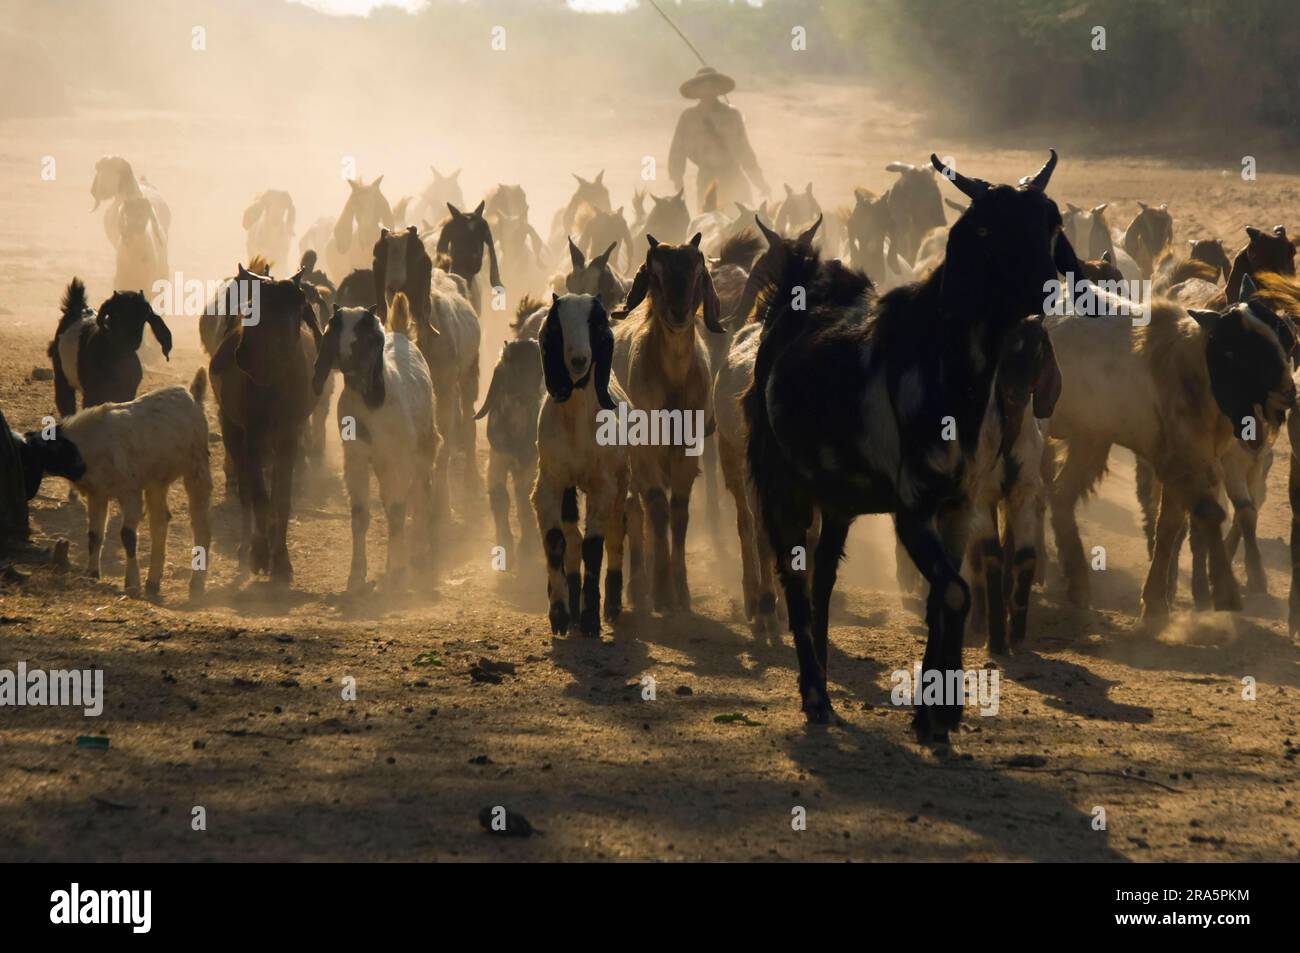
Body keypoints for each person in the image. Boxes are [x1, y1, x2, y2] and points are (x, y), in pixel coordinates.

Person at [668, 67, 769, 210]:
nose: (708, 89)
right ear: (697, 90)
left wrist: (760, 182)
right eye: (703, 85)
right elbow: (677, 151)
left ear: (718, 88)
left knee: (742, 223)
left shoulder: (732, 115)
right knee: (708, 223)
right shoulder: (688, 117)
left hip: (733, 176)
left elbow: (744, 151)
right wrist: (677, 178)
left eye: (711, 84)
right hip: (707, 178)